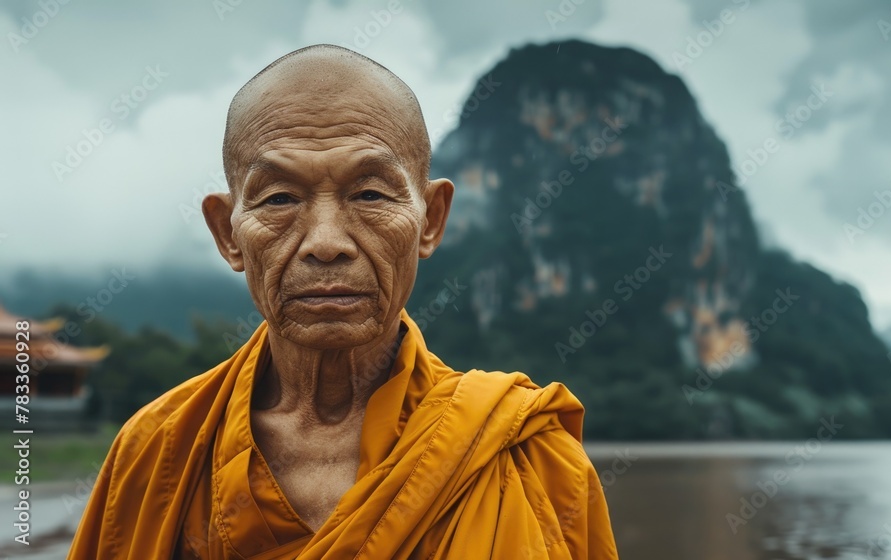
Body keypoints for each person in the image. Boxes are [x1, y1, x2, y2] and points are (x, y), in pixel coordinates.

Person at [68, 44, 618, 559]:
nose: (326, 243)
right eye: (280, 198)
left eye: (370, 194)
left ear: (431, 220)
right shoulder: (157, 453)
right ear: (227, 233)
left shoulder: (529, 457)